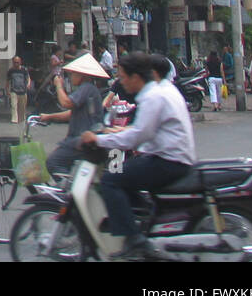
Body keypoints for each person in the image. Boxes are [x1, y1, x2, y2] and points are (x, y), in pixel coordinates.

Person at [81, 52, 196, 260]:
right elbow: (141, 130)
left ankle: (134, 240)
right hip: (167, 155)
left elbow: (136, 136)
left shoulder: (153, 97)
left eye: (123, 77)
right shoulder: (163, 90)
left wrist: (99, 140)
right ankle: (142, 220)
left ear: (136, 77)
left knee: (110, 179)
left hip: (167, 161)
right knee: (125, 173)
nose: (121, 82)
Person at [35, 53, 107, 175]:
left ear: (82, 75)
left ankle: (68, 191)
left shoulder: (87, 88)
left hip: (83, 139)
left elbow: (66, 103)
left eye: (73, 73)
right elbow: (71, 113)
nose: (71, 77)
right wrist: (49, 117)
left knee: (53, 162)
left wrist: (58, 86)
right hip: (82, 139)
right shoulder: (89, 89)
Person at [7, 55, 32, 124]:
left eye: (17, 62)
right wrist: (7, 90)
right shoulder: (11, 70)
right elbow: (8, 81)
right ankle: (14, 120)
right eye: (15, 62)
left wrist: (28, 84)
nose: (16, 64)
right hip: (14, 91)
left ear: (20, 62)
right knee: (14, 105)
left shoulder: (24, 70)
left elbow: (28, 78)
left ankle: (21, 119)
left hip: (23, 91)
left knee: (22, 107)